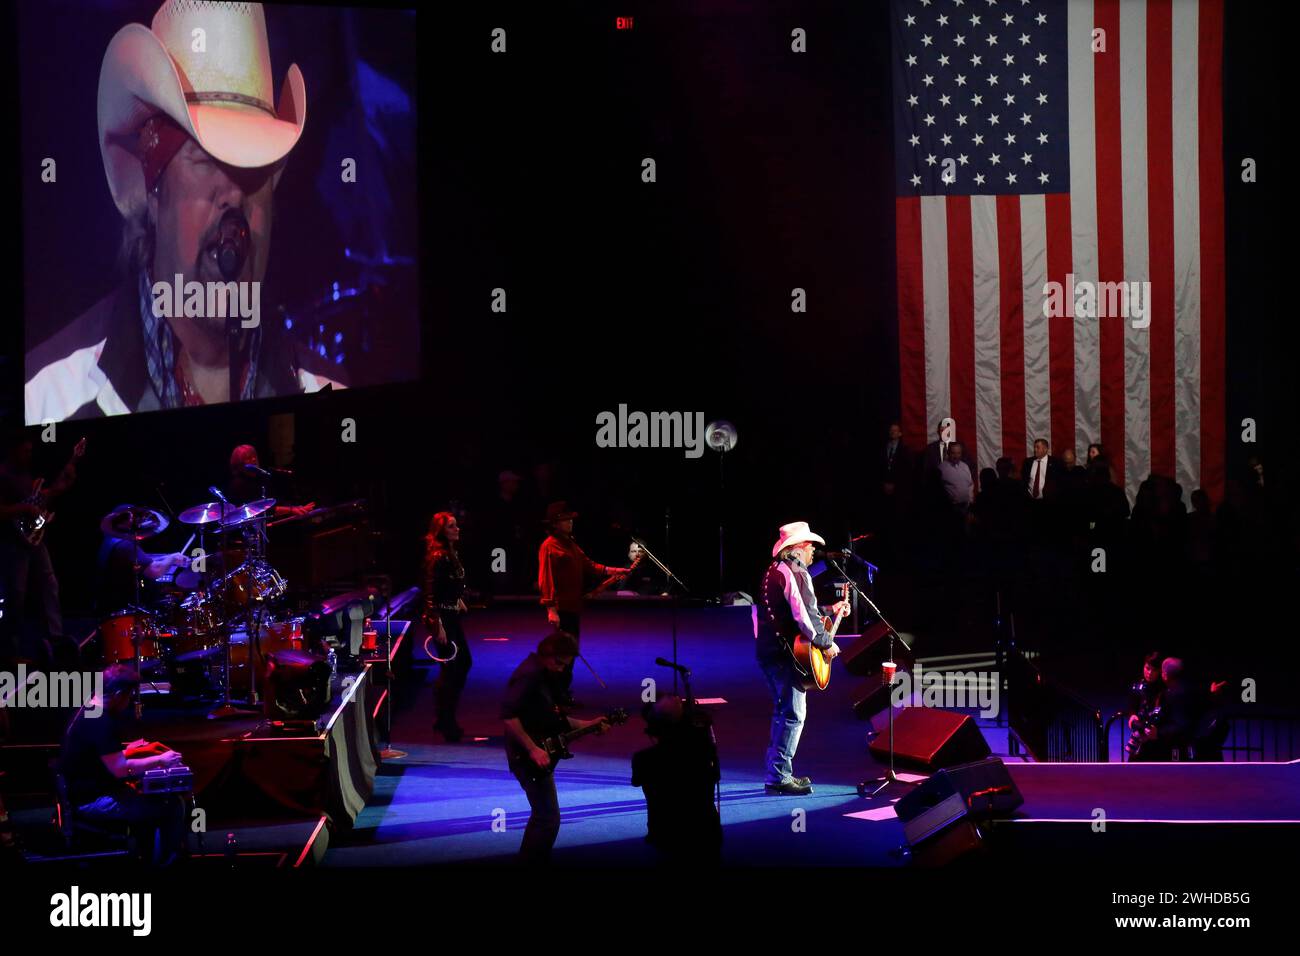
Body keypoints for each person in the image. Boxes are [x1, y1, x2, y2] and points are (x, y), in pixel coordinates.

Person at [24, 1, 343, 422]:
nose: (233, 193)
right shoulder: (45, 402)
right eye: (207, 158)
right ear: (154, 190)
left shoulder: (330, 393)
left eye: (254, 165)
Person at [753, 522, 848, 795]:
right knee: (793, 714)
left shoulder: (777, 570)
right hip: (784, 655)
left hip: (771, 651)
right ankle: (779, 776)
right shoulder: (796, 571)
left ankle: (778, 772)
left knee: (785, 711)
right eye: (811, 547)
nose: (813, 553)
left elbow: (802, 610)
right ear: (799, 547)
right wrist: (825, 642)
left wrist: (830, 609)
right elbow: (803, 617)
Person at [59, 665, 188, 864]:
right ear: (119, 694)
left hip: (82, 792)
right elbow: (120, 770)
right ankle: (164, 865)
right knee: (170, 806)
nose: (129, 702)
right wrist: (162, 759)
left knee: (150, 798)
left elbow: (94, 756)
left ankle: (145, 855)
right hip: (91, 801)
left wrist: (127, 752)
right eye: (129, 696)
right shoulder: (100, 722)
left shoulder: (86, 710)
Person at [500, 632, 609, 863]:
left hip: (537, 750)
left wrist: (589, 724)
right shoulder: (529, 676)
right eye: (559, 663)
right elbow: (509, 717)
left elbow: (554, 720)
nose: (561, 669)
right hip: (526, 756)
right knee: (547, 817)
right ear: (548, 654)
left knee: (543, 816)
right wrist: (532, 749)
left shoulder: (545, 675)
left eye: (565, 665)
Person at [0, 430, 86, 667]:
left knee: (50, 584)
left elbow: (40, 497)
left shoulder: (25, 474)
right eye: (25, 450)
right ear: (14, 450)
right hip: (12, 543)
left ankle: (56, 639)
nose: (29, 454)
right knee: (15, 596)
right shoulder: (3, 474)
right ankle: (10, 652)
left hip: (34, 539)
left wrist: (72, 462)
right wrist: (24, 509)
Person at [536, 501, 629, 703]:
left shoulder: (571, 543)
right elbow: (546, 578)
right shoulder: (549, 546)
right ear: (554, 523)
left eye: (570, 519)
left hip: (574, 606)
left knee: (570, 651)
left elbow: (589, 565)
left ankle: (562, 694)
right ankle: (556, 696)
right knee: (563, 653)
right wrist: (551, 609)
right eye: (565, 520)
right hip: (562, 608)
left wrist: (614, 570)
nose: (570, 523)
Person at [631, 695, 722, 862]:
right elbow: (715, 777)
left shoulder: (643, 759)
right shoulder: (703, 753)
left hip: (664, 834)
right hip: (704, 832)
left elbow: (637, 780)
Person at [423, 511, 471, 741]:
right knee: (453, 667)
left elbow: (451, 583)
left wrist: (458, 598)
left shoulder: (451, 554)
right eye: (452, 526)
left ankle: (445, 717)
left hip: (451, 615)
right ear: (442, 531)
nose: (457, 529)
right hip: (443, 618)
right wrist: (437, 623)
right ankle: (445, 719)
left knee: (461, 664)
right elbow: (431, 592)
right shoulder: (438, 557)